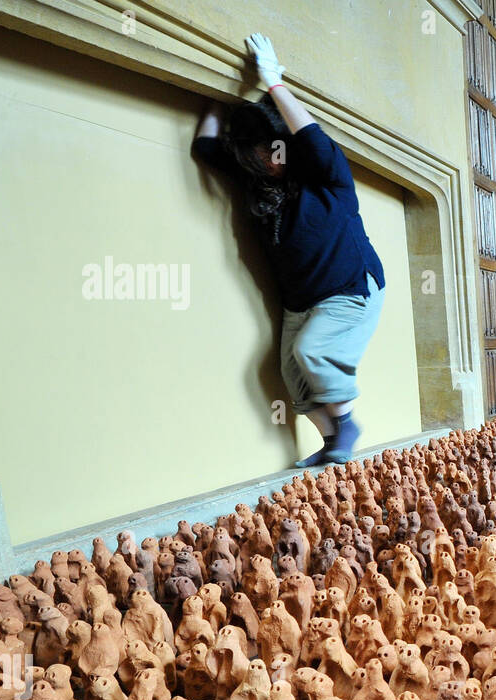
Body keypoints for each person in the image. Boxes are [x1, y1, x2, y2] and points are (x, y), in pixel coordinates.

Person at [192, 33, 385, 467]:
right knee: (292, 373)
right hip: (302, 301)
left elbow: (311, 136)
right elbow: (205, 148)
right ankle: (333, 441)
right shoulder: (254, 181)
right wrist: (212, 96)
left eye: (275, 150)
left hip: (352, 288)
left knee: (312, 351)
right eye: (262, 155)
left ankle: (347, 424)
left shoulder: (325, 175)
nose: (272, 160)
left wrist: (274, 82)